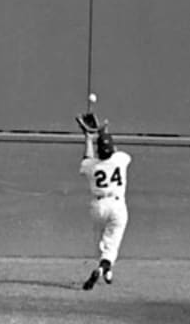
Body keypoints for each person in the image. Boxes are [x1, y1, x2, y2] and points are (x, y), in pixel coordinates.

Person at [77, 118, 130, 290]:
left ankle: (107, 271)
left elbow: (87, 157)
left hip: (98, 207)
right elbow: (113, 150)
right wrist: (103, 130)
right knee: (111, 245)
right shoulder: (121, 159)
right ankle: (103, 268)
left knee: (101, 243)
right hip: (117, 205)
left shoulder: (91, 166)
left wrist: (88, 137)